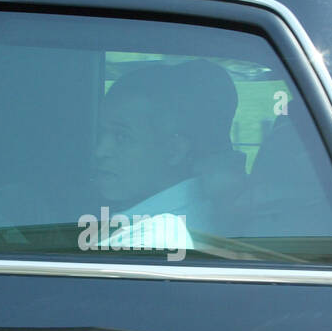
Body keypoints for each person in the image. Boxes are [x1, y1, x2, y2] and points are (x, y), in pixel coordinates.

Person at [93, 58, 246, 251]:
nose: (100, 151)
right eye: (101, 133)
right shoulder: (201, 210)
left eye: (122, 137)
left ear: (174, 150)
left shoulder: (147, 243)